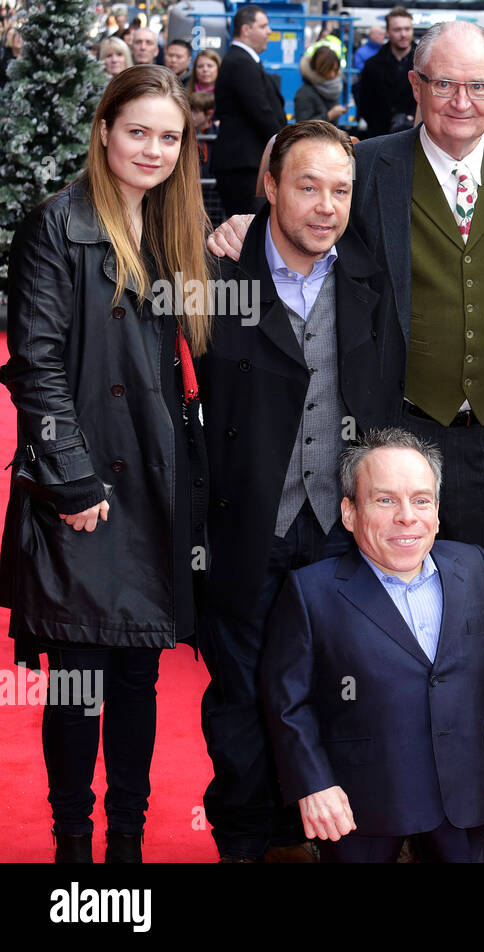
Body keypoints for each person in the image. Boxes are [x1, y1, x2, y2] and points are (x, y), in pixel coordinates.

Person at [0, 65, 211, 864]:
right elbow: (38, 364)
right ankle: (71, 848)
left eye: (169, 137)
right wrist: (71, 479)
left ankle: (125, 843)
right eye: (138, 132)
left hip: (158, 486)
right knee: (79, 682)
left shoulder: (173, 227)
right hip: (87, 496)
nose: (153, 150)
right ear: (103, 131)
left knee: (135, 679)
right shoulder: (57, 225)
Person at [196, 120, 400, 863]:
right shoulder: (217, 278)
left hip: (342, 532)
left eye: (339, 190)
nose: (324, 205)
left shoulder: (372, 278)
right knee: (246, 701)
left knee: (337, 694)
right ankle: (253, 842)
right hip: (246, 529)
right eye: (307, 186)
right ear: (270, 187)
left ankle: (327, 835)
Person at [260, 429, 484, 863]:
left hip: (462, 796)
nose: (407, 516)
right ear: (350, 513)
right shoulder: (310, 591)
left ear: (438, 510)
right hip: (359, 806)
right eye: (385, 500)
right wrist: (313, 784)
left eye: (421, 500)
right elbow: (286, 703)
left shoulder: (472, 567)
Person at [213, 4, 286, 216]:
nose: (269, 31)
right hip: (243, 165)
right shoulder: (239, 62)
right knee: (248, 229)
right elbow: (260, 111)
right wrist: (285, 144)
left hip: (247, 162)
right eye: (263, 26)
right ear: (246, 29)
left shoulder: (244, 60)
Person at [357, 6, 415, 137]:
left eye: (407, 29)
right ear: (388, 32)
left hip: (416, 135)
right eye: (397, 30)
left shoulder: (426, 63)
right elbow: (364, 103)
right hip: (380, 136)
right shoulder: (372, 65)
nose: (403, 34)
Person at [295, 46, 347, 124]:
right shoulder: (305, 93)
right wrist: (330, 115)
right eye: (328, 70)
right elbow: (301, 126)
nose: (332, 75)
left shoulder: (333, 87)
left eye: (335, 70)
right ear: (319, 69)